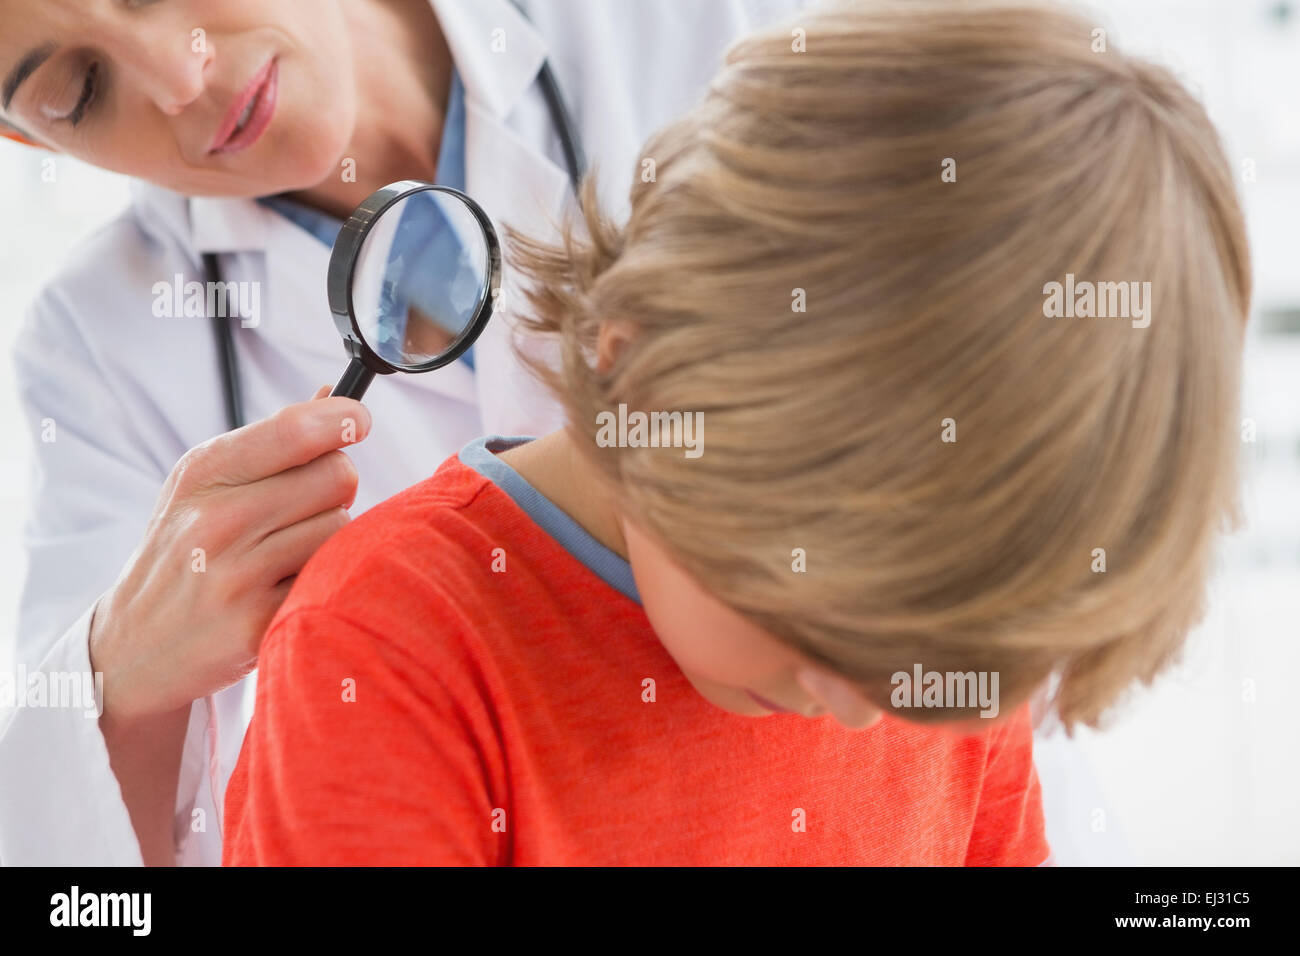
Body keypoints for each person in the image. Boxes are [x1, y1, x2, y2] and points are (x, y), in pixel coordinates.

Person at [223, 0, 1250, 864]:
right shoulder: (388, 653)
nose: (858, 708)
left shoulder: (939, 636)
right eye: (817, 617)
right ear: (634, 359)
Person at [0, 0, 804, 865]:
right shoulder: (97, 347)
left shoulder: (695, 24)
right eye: (82, 91)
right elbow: (68, 884)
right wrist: (121, 680)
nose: (180, 77)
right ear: (29, 142)